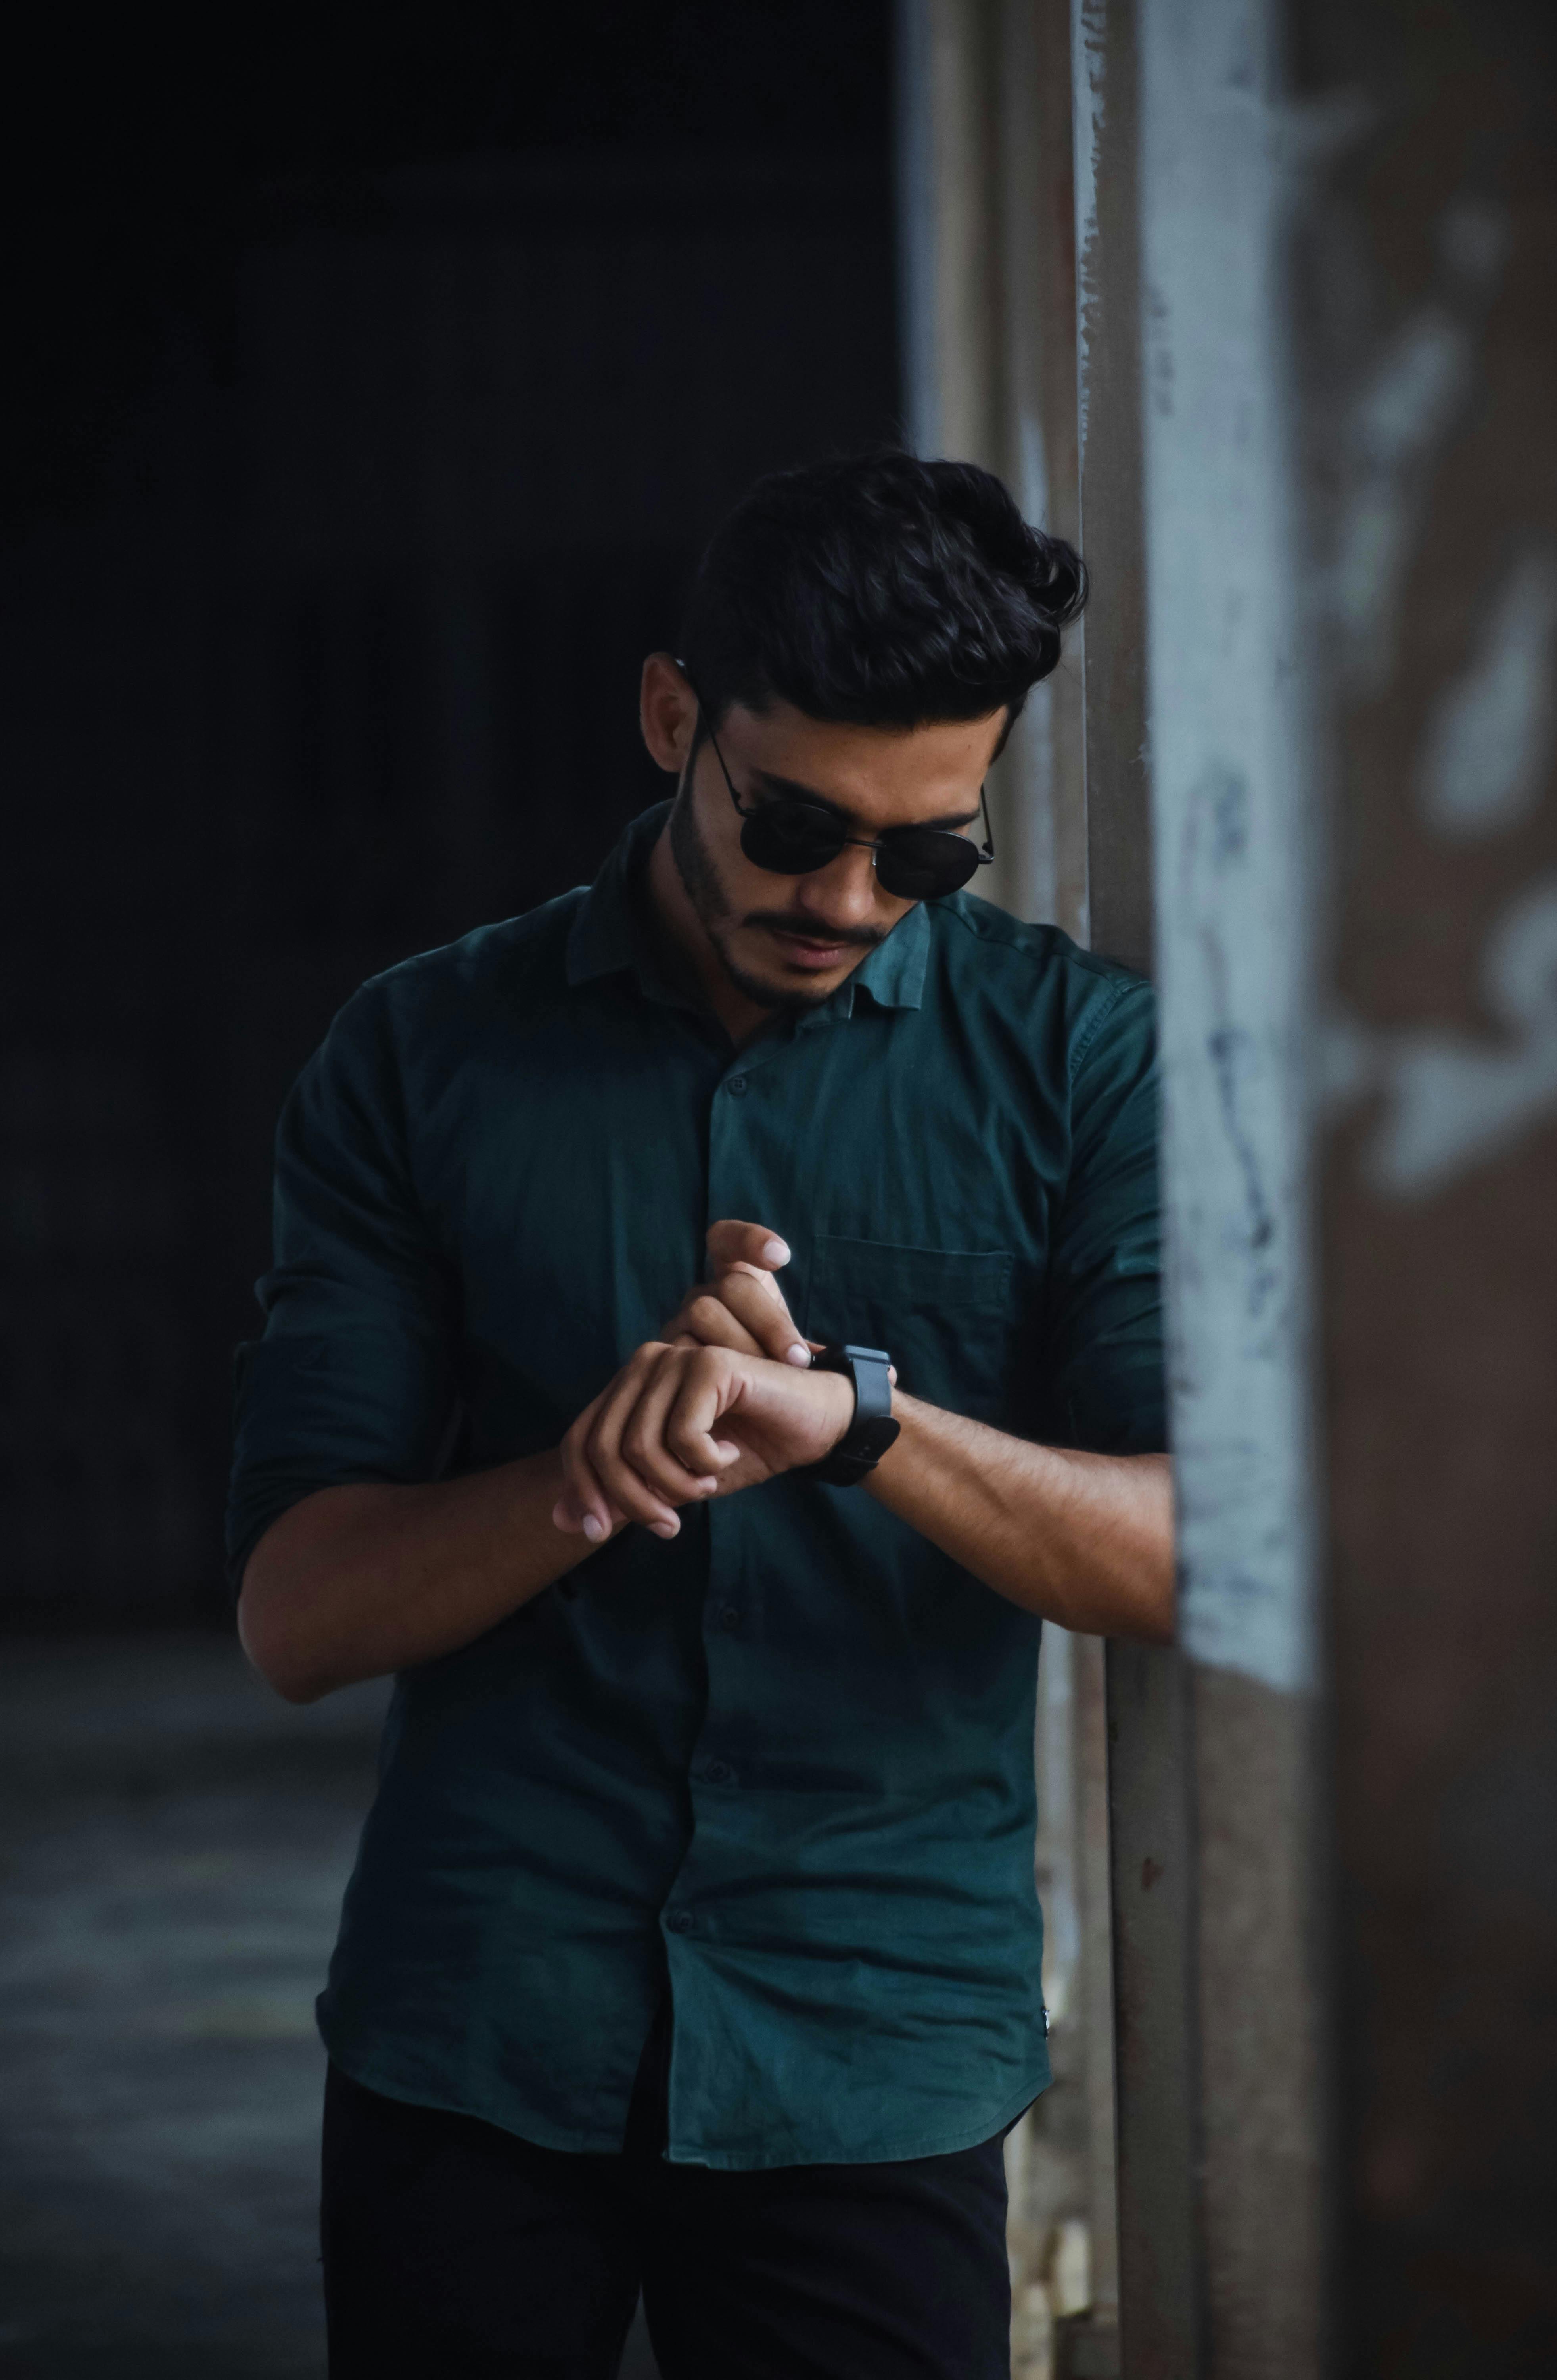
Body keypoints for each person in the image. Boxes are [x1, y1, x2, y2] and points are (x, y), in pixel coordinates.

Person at [229, 450, 1172, 2380]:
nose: (844, 901)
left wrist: (849, 1422)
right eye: (794, 827)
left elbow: (1194, 1554)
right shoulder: (419, 1053)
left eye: (925, 859)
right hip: (482, 2019)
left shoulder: (1082, 1062)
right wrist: (593, 1473)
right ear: (674, 718)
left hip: (873, 2038)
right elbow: (297, 1619)